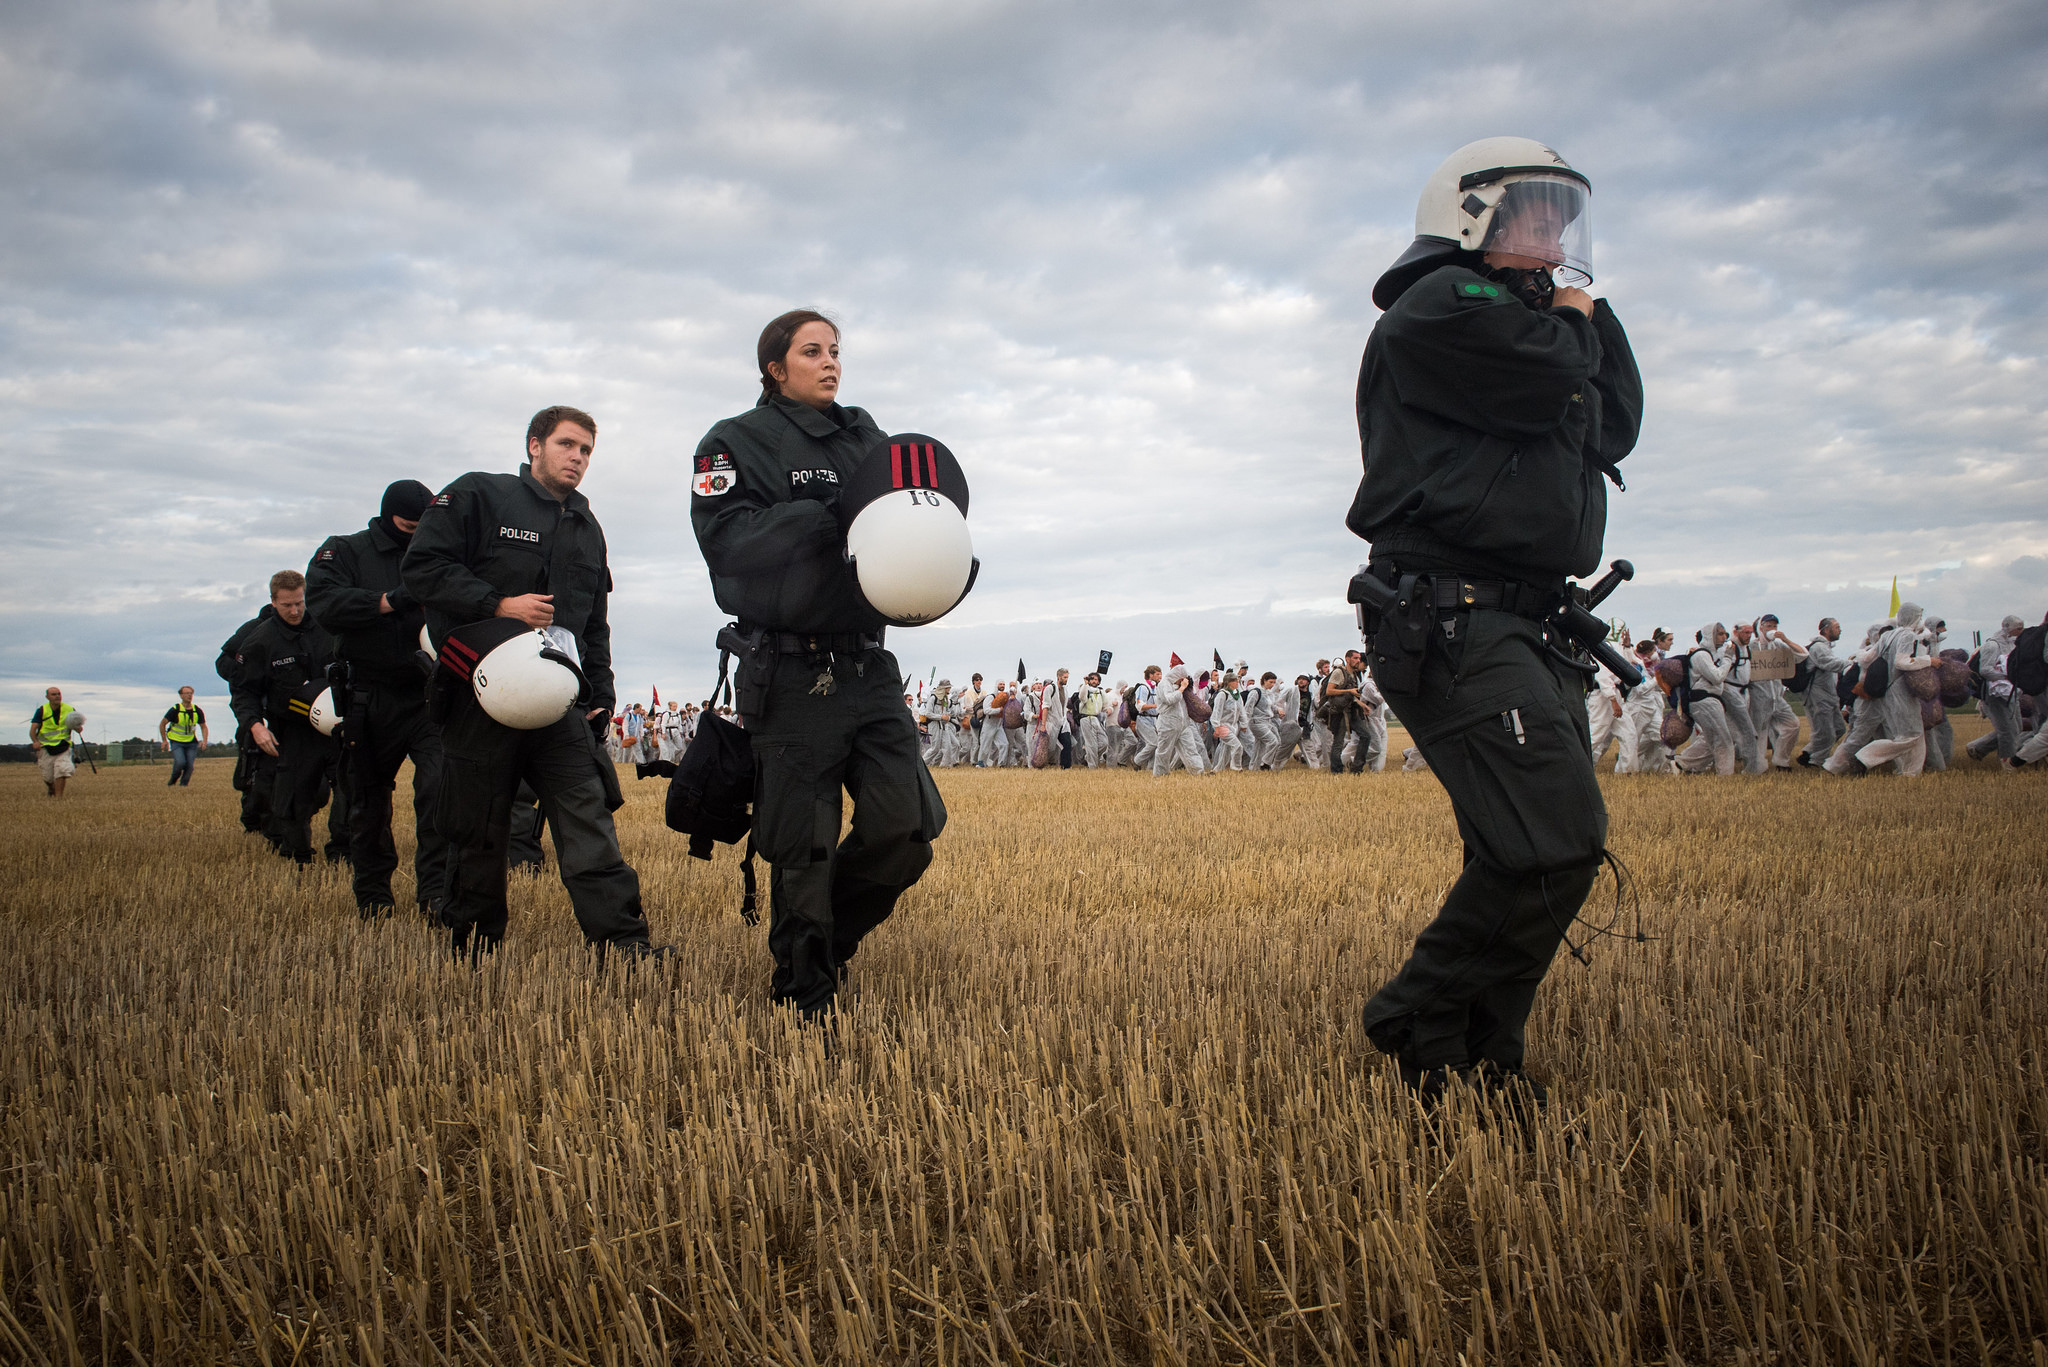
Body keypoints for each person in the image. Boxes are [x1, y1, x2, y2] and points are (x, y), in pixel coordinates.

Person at [1347, 137, 1642, 1104]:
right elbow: (1551, 381)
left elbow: (1616, 420)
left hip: (1529, 618)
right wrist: (1570, 315)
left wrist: (1575, 310)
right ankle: (1415, 1017)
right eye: (1536, 213)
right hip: (1456, 616)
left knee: (1533, 849)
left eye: (1567, 214)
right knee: (1549, 840)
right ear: (1470, 214)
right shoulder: (1439, 306)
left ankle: (1477, 1052)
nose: (1556, 235)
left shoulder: (1534, 320)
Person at [689, 311, 946, 1019]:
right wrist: (823, 511)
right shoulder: (733, 442)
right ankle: (805, 992)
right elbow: (728, 545)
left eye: (835, 350)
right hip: (789, 670)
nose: (830, 362)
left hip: (868, 666)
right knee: (802, 847)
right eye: (812, 351)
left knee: (907, 831)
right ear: (776, 366)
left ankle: (827, 941)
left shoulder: (868, 438)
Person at [404, 404, 666, 961]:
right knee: (476, 833)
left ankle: (623, 944)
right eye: (568, 445)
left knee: (589, 824)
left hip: (560, 707)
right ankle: (473, 947)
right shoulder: (479, 495)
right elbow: (422, 569)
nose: (578, 458)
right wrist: (497, 604)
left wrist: (600, 698)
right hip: (481, 699)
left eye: (587, 450)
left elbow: (593, 624)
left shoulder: (587, 527)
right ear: (534, 445)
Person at [307, 479, 452, 919]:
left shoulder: (438, 553)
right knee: (367, 802)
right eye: (408, 524)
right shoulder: (346, 551)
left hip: (429, 695)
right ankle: (373, 898)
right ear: (389, 516)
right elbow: (324, 604)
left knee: (439, 791)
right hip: (369, 695)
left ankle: (434, 894)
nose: (414, 533)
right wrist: (389, 602)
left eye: (422, 524)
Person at [228, 570, 341, 866]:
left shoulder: (328, 626)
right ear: (273, 602)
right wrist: (254, 726)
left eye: (299, 603)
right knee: (295, 800)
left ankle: (344, 854)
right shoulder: (259, 642)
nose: (294, 611)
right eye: (286, 605)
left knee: (352, 791)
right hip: (292, 729)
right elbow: (243, 691)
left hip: (335, 725)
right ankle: (298, 858)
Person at [217, 601, 278, 835]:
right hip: (254, 708)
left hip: (286, 706)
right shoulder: (254, 628)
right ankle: (252, 821)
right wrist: (249, 679)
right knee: (251, 763)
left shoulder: (308, 628)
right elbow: (222, 663)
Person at [1966, 615, 2028, 762]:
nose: (2021, 631)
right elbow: (1985, 670)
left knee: (2017, 728)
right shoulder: (1992, 645)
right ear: (2008, 628)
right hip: (1994, 695)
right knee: (2007, 731)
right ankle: (2007, 762)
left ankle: (1978, 747)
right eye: (2018, 628)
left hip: (2010, 692)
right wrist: (2006, 677)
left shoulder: (2013, 643)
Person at [1800, 618, 1848, 766]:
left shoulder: (1826, 647)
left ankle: (1808, 753)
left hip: (1829, 696)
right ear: (1826, 630)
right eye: (1837, 627)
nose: (1840, 630)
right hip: (1818, 696)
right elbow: (1829, 663)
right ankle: (1816, 761)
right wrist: (1852, 664)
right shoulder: (1818, 648)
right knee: (1826, 733)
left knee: (1839, 728)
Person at [1150, 662, 1210, 776]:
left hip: (1183, 725)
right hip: (1168, 724)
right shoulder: (1164, 684)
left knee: (1191, 749)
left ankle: (1198, 772)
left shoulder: (1178, 687)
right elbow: (1169, 699)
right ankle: (1160, 775)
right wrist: (1181, 688)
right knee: (1164, 752)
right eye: (1181, 679)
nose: (1182, 681)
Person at [29, 687, 86, 797]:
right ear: (47, 697)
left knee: (62, 771)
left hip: (64, 746)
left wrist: (78, 728)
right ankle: (51, 788)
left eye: (59, 694)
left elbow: (78, 727)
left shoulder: (69, 709)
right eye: (54, 694)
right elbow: (33, 729)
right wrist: (35, 741)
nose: (57, 696)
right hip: (45, 747)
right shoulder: (42, 710)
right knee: (48, 777)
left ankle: (58, 798)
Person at [1318, 652, 1364, 774]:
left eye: (1359, 658)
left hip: (1350, 710)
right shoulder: (1339, 672)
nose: (1358, 660)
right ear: (1347, 659)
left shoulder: (1354, 674)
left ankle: (1356, 767)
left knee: (1365, 736)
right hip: (1339, 712)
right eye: (1355, 658)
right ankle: (1336, 771)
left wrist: (1362, 705)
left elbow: (1352, 695)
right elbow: (1329, 691)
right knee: (1338, 742)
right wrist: (1350, 691)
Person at [158, 686, 209, 786]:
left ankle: (183, 786)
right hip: (177, 741)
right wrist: (164, 740)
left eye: (191, 693)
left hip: (191, 742)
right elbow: (162, 723)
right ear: (181, 695)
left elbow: (203, 726)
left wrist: (204, 740)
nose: (189, 695)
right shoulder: (175, 709)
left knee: (190, 766)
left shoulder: (197, 710)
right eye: (187, 693)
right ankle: (172, 783)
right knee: (180, 762)